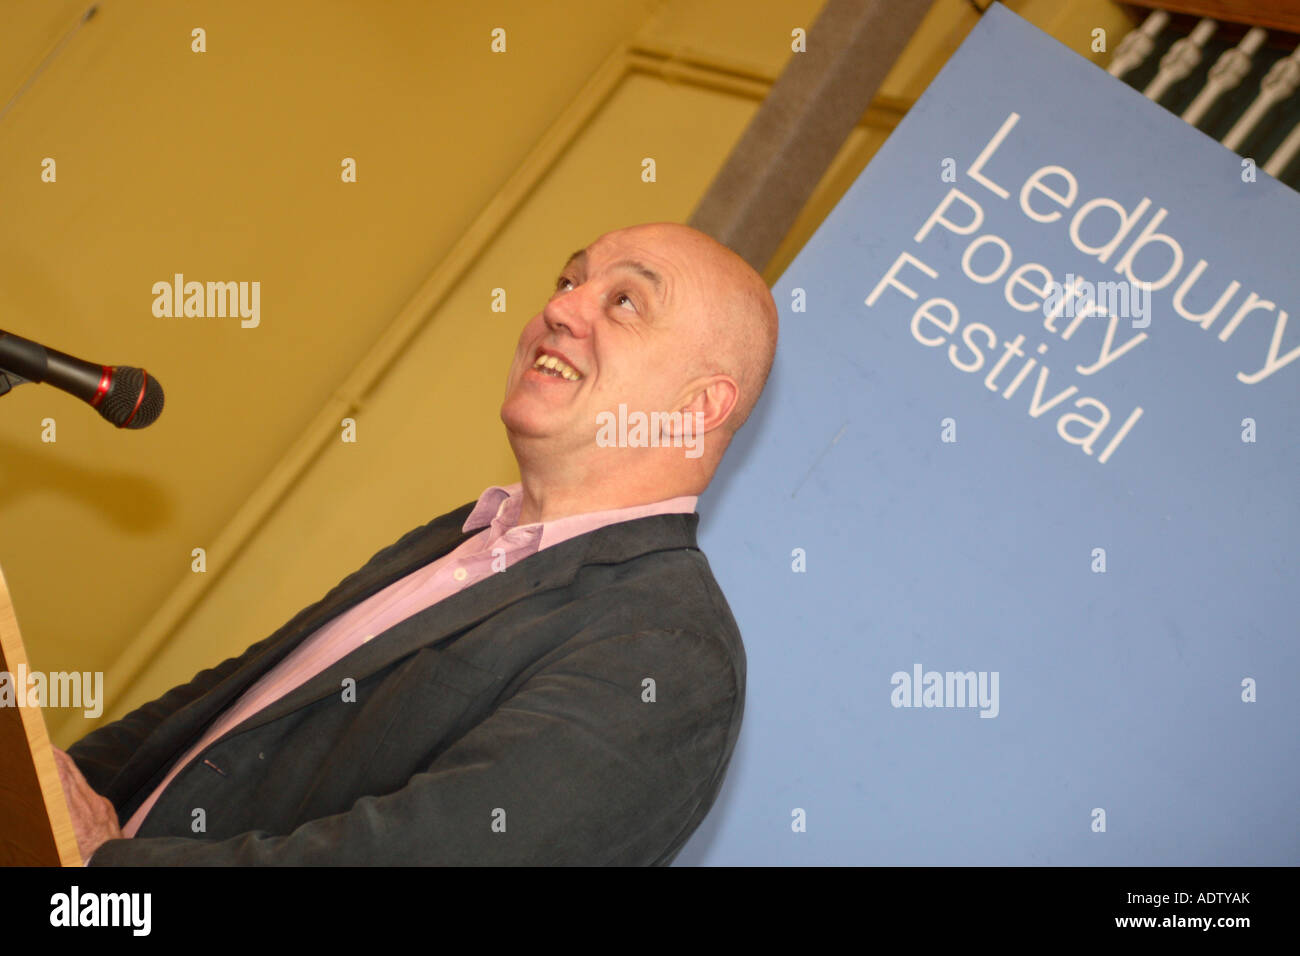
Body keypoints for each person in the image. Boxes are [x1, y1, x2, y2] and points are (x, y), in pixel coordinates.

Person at [55, 221, 779, 865]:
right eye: (569, 279)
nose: (558, 309)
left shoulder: (668, 652)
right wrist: (42, 788)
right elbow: (228, 706)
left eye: (624, 302)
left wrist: (107, 871)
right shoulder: (461, 535)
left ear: (698, 406)